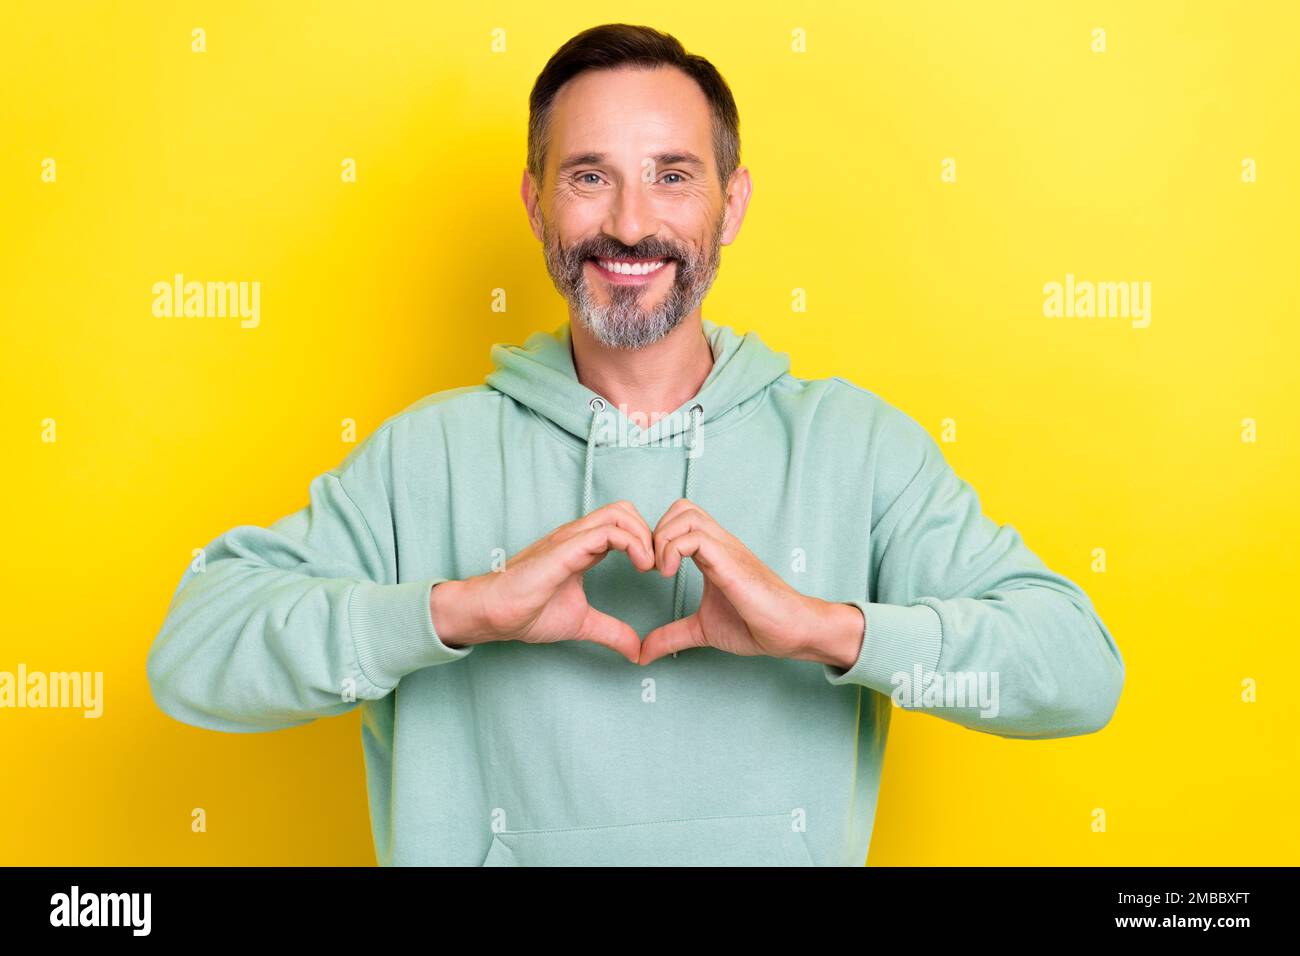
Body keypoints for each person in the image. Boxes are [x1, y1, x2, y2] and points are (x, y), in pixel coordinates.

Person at [146, 23, 1125, 866]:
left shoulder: (856, 446)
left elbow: (1079, 670)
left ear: (730, 203)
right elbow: (190, 659)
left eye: (670, 175)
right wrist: (460, 610)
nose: (628, 223)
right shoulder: (424, 457)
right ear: (535, 203)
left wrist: (824, 628)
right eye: (588, 176)